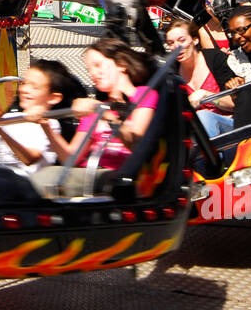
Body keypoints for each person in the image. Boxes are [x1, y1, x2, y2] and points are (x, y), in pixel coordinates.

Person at [31, 38, 158, 196]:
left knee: (44, 178)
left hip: (123, 175)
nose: (92, 74)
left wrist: (102, 112)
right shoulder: (95, 106)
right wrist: (45, 125)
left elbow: (135, 141)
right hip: (92, 174)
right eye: (89, 69)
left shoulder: (143, 94)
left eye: (98, 65)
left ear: (122, 64)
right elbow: (71, 157)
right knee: (44, 178)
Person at [0, 60, 82, 175]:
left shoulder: (49, 124)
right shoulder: (9, 118)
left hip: (33, 189)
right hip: (6, 185)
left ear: (53, 98)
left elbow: (30, 159)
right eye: (24, 83)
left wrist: (0, 131)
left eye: (34, 87)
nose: (24, 90)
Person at [165, 18, 233, 136]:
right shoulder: (172, 73)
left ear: (195, 40)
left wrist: (206, 95)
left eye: (181, 40)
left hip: (227, 124)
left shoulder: (215, 58)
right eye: (171, 43)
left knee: (203, 117)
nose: (176, 47)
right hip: (194, 132)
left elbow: (234, 104)